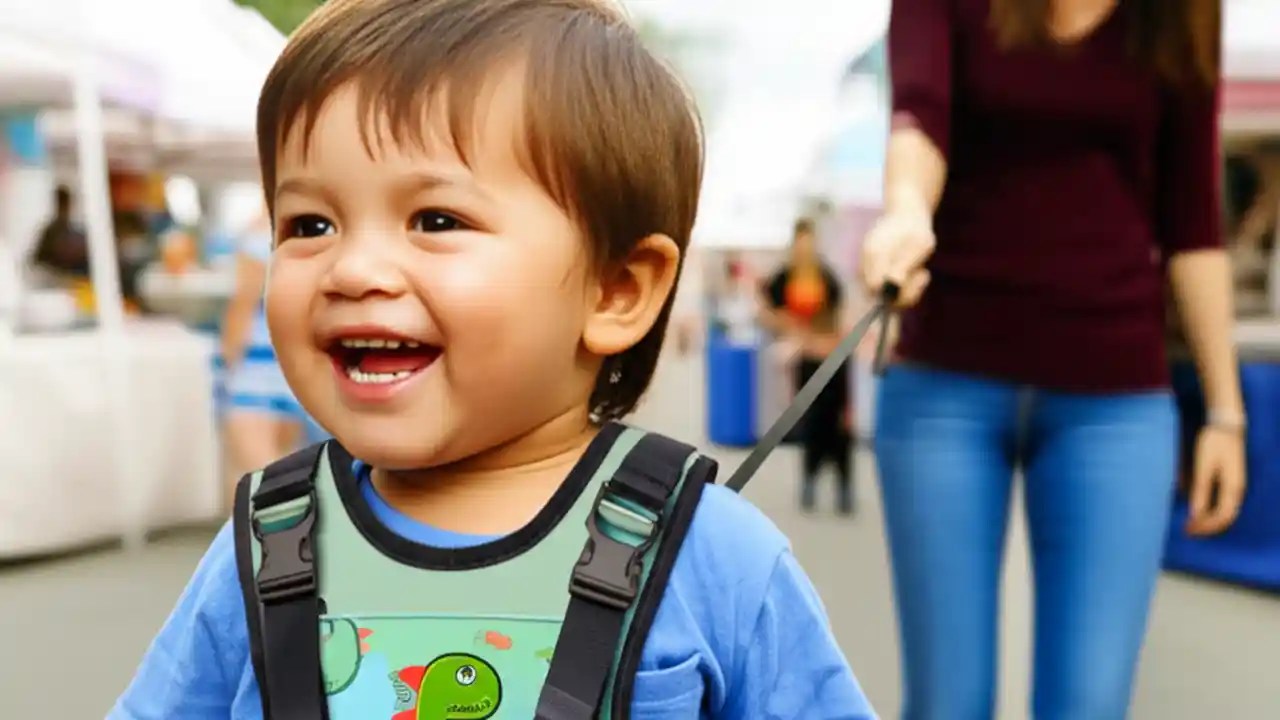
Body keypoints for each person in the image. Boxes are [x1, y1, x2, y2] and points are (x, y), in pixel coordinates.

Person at [110, 1, 874, 718]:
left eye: (435, 218)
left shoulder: (713, 557)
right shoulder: (262, 544)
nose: (351, 270)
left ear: (615, 291)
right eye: (310, 223)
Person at [861, 0, 1243, 718]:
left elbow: (1194, 217)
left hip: (1116, 400)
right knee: (947, 705)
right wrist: (907, 210)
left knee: (1090, 705)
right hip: (944, 383)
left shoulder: (1186, 13)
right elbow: (920, 112)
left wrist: (1225, 411)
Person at [217, 209, 311, 506]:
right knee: (282, 468)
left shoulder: (259, 234)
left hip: (256, 370)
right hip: (292, 365)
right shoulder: (310, 231)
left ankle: (252, 547)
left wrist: (227, 360)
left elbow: (242, 304)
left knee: (252, 476)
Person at [762, 219, 854, 514]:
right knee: (812, 421)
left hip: (833, 356)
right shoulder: (785, 277)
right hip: (807, 358)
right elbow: (767, 306)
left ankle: (843, 486)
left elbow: (839, 315)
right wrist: (792, 331)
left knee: (839, 425)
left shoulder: (825, 276)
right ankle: (810, 480)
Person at [30, 184, 89, 278]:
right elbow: (37, 261)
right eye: (61, 204)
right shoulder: (50, 233)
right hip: (55, 280)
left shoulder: (77, 233)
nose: (64, 208)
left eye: (65, 204)